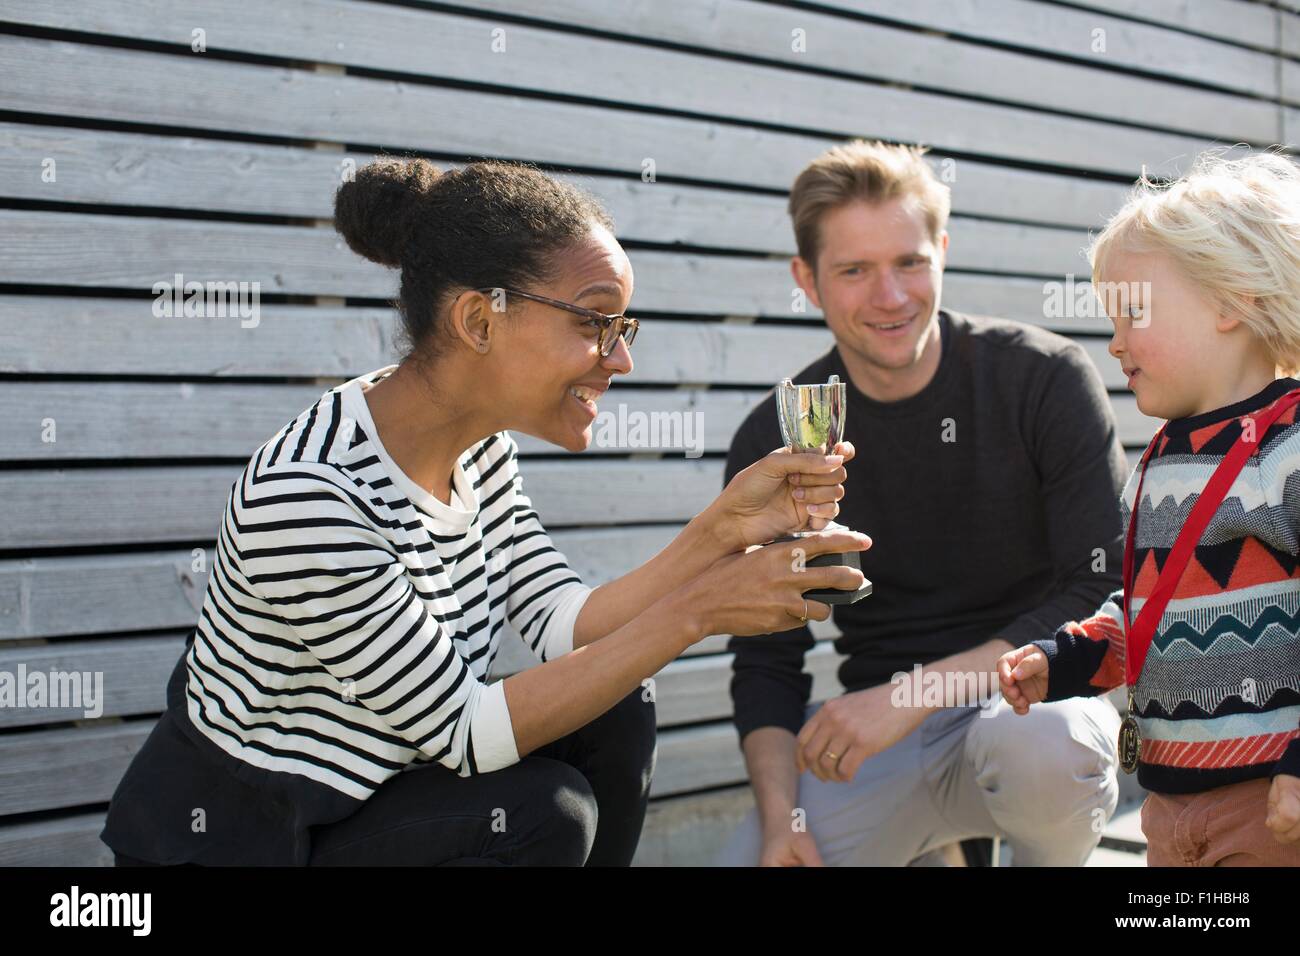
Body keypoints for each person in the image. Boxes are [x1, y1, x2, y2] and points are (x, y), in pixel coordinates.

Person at [101, 157, 870, 866]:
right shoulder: (310, 495)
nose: (621, 358)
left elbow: (561, 622)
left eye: (622, 327)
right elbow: (466, 734)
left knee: (619, 704)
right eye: (594, 322)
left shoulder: (479, 449)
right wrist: (699, 611)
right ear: (479, 321)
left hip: (378, 787)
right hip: (256, 837)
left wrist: (722, 530)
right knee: (546, 812)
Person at [716, 140, 1127, 867]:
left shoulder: (1043, 379)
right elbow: (765, 659)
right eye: (854, 270)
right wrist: (784, 821)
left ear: (942, 249)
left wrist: (911, 694)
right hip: (879, 745)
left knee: (1043, 749)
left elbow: (1096, 589)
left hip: (1026, 704)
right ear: (805, 280)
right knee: (754, 858)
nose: (892, 297)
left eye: (909, 261)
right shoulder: (775, 434)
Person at [999, 149, 1300, 865]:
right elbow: (1154, 604)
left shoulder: (1287, 447)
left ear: (1232, 301)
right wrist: (1070, 657)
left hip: (1272, 806)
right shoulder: (1161, 458)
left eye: (1134, 311)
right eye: (1111, 319)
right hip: (1168, 811)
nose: (1115, 341)